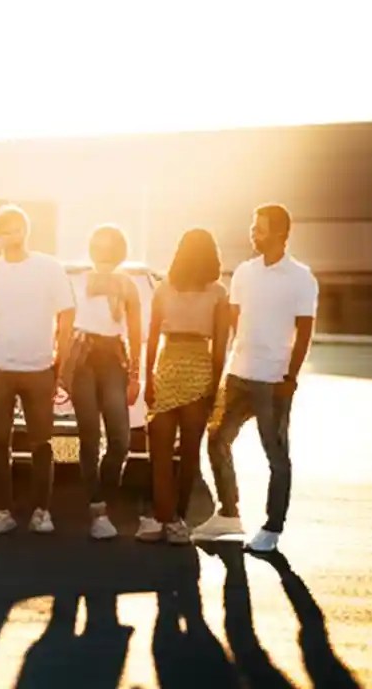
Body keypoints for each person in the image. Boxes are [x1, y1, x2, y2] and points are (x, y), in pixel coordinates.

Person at [191, 204, 318, 553]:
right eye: (253, 226)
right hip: (239, 375)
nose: (253, 232)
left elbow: (305, 330)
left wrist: (290, 376)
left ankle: (272, 528)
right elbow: (235, 320)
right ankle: (229, 513)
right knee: (216, 438)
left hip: (273, 379)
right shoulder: (244, 273)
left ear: (279, 233)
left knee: (275, 455)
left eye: (259, 227)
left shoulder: (301, 278)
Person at [0, 205, 76, 535]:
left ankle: (42, 511)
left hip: (39, 366)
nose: (11, 235)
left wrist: (61, 358)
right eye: (4, 231)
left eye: (16, 229)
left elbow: (67, 314)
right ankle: (2, 512)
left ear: (26, 230)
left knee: (42, 443)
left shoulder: (49, 268)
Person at [139, 229, 230, 544]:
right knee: (190, 453)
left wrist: (148, 378)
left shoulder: (165, 288)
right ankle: (175, 520)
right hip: (199, 365)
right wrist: (214, 388)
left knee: (160, 452)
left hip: (168, 362)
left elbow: (152, 338)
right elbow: (220, 347)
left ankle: (160, 519)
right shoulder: (218, 293)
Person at [60, 224, 141, 540]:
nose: (104, 252)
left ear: (120, 251)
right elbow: (64, 326)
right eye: (99, 246)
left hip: (112, 358)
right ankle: (97, 508)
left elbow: (135, 334)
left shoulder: (128, 285)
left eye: (110, 247)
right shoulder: (77, 280)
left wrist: (135, 376)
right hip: (82, 357)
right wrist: (61, 369)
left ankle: (105, 494)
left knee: (120, 437)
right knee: (89, 437)